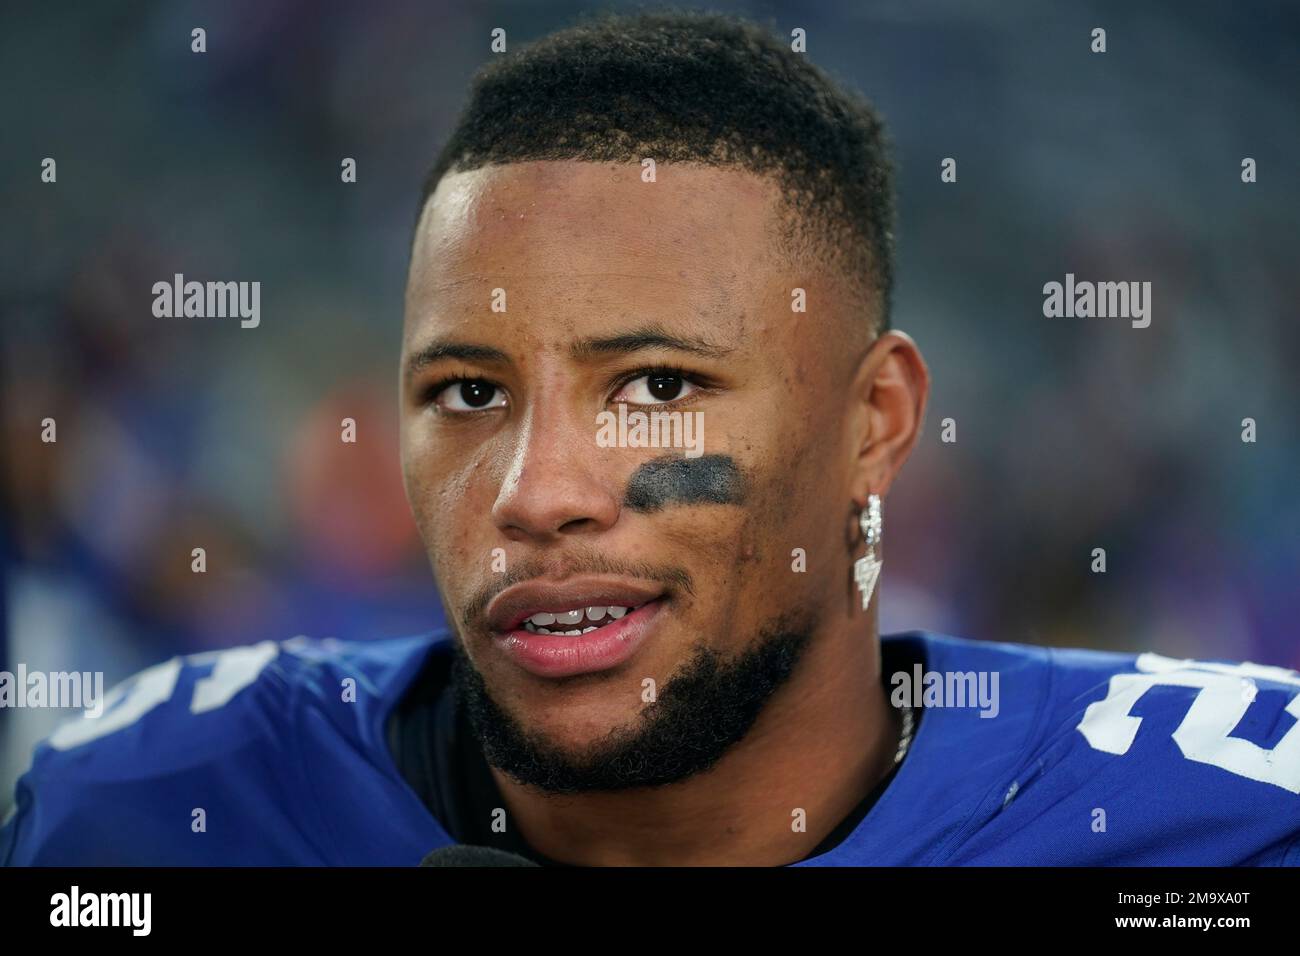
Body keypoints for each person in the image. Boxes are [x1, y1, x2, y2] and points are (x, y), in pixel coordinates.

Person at [5, 10, 1298, 867]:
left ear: (875, 428)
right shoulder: (149, 809)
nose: (536, 492)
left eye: (662, 386)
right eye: (467, 392)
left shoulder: (1225, 827)